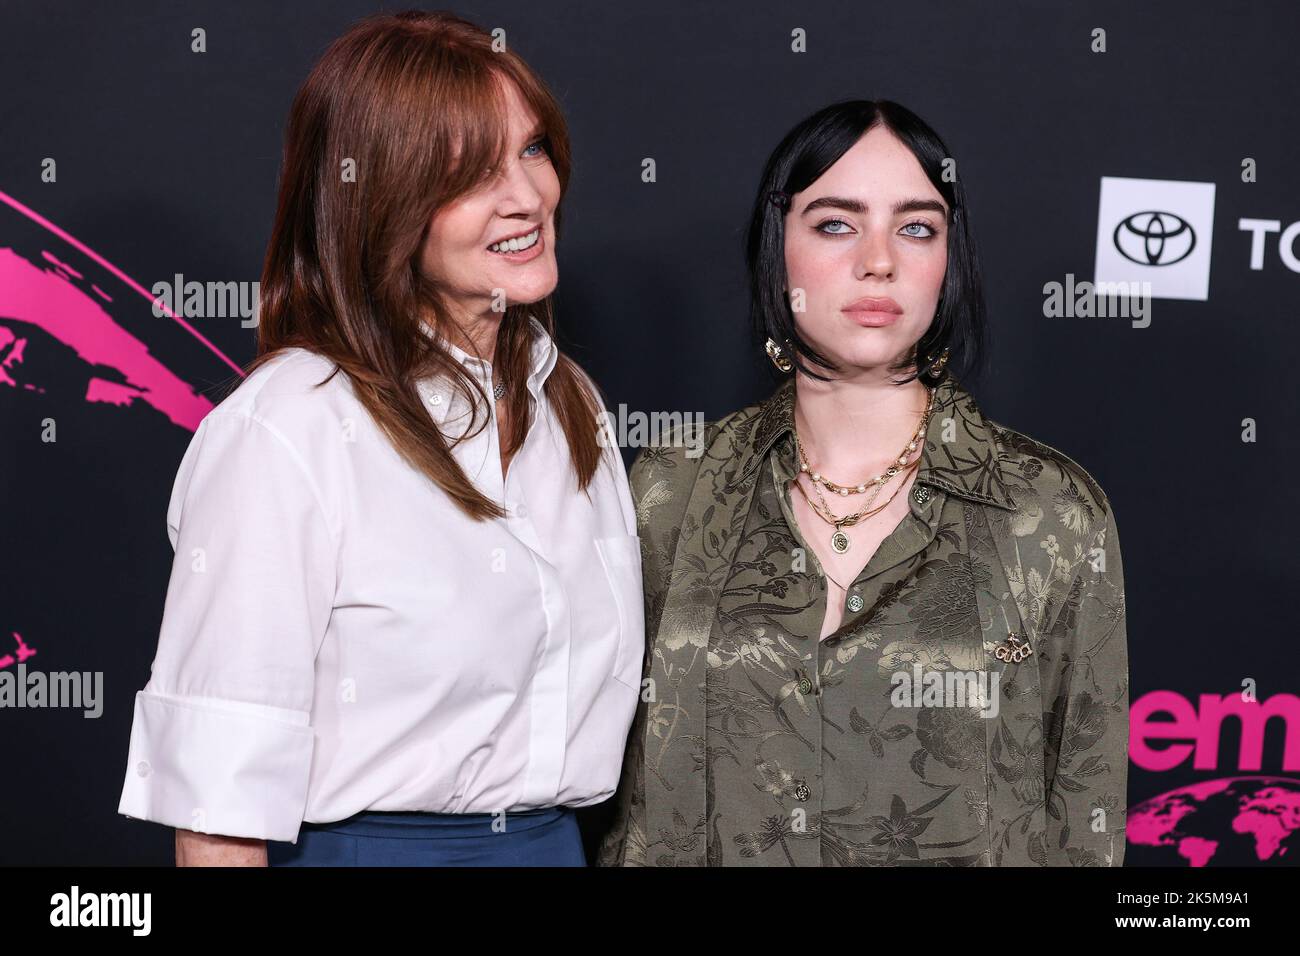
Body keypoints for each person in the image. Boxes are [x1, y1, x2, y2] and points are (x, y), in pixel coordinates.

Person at [117, 10, 643, 867]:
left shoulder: (567, 399)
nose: (528, 196)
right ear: (382, 200)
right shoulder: (288, 428)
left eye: (533, 149)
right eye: (472, 172)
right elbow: (217, 818)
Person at [598, 100, 1129, 866]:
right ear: (776, 249)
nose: (878, 259)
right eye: (835, 224)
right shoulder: (671, 488)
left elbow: (1086, 818)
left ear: (950, 260)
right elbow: (625, 802)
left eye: (917, 227)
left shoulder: (1049, 510)